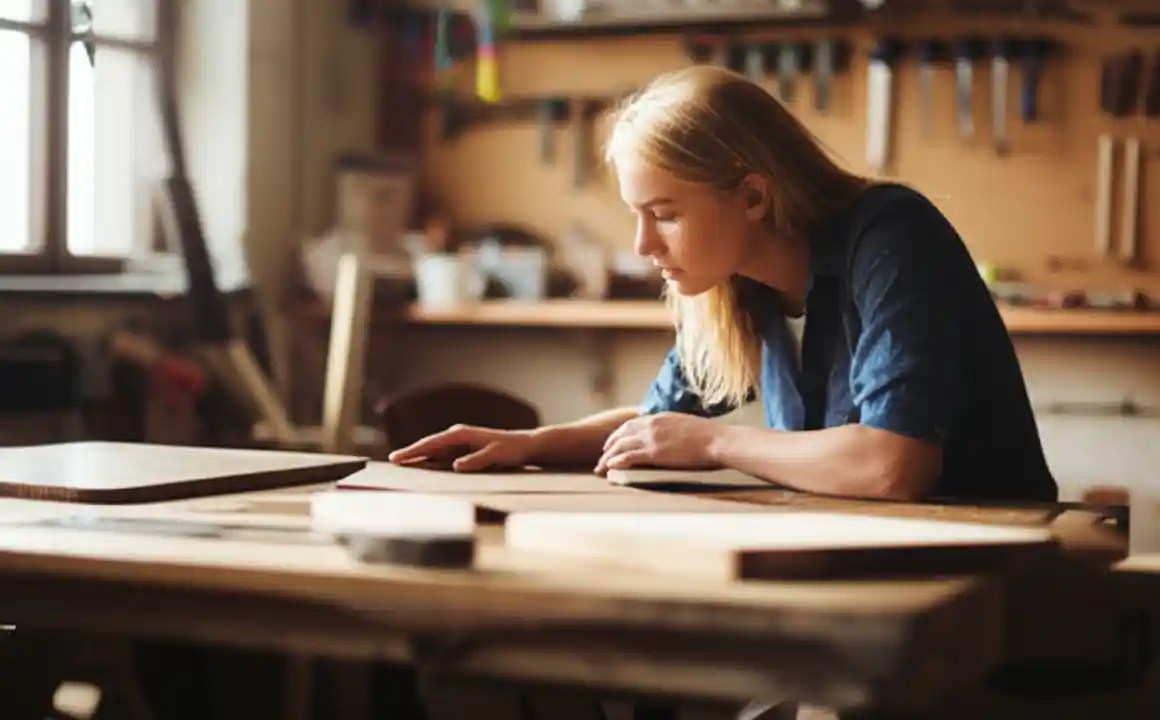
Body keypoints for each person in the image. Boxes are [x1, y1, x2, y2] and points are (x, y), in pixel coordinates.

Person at [390, 65, 1057, 503]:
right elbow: (659, 426)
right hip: (865, 565)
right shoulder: (738, 281)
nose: (643, 246)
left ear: (753, 197)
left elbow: (892, 464)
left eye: (665, 215)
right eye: (637, 216)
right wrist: (532, 446)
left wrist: (714, 442)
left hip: (995, 597)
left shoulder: (891, 237)